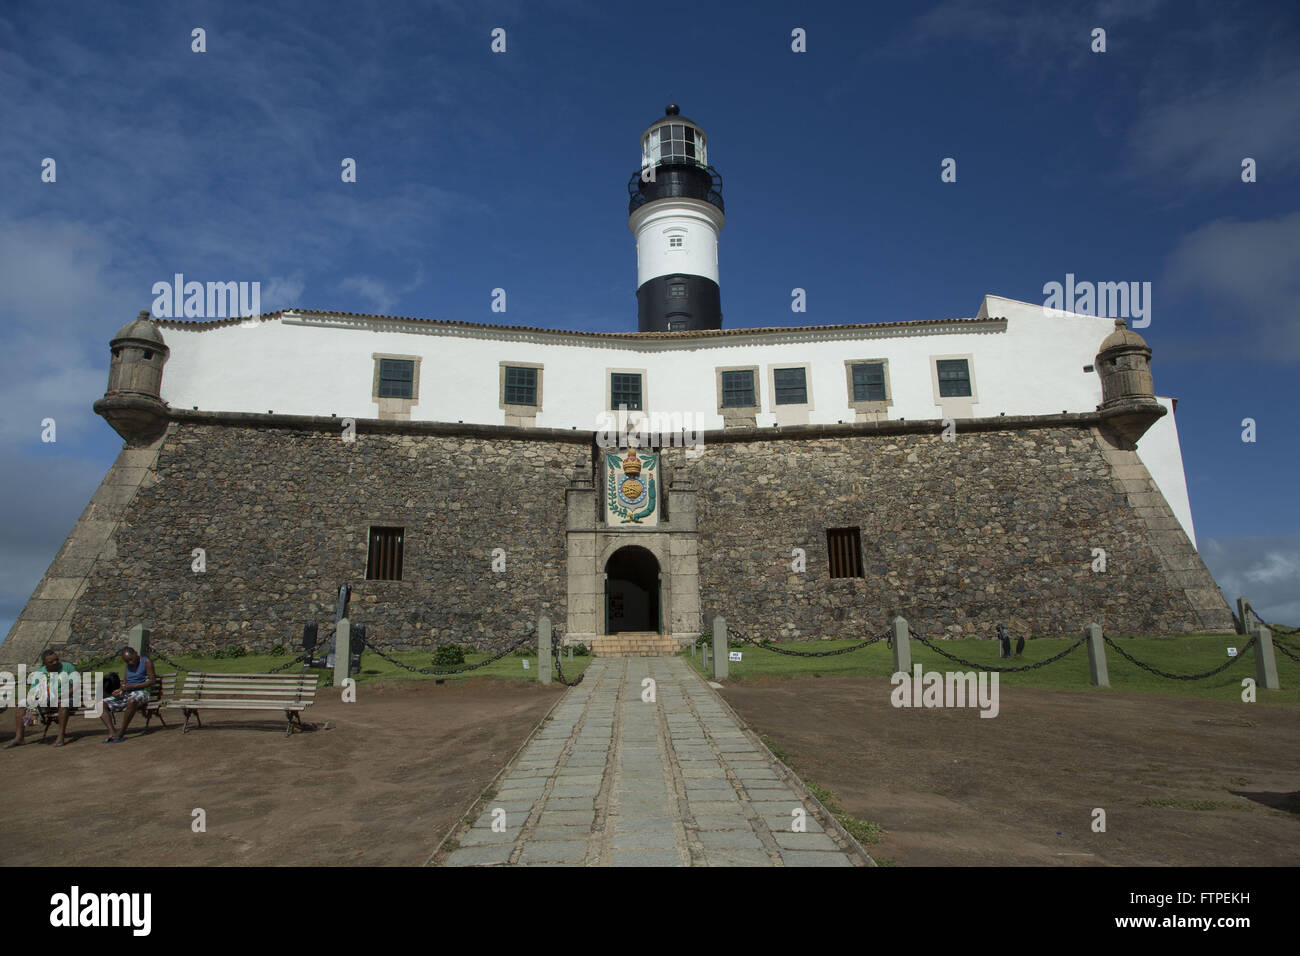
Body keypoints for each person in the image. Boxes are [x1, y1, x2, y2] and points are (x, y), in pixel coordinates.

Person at [6, 649, 78, 748]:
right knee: (22, 705)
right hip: (45, 699)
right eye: (51, 662)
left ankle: (60, 736)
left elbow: (76, 685)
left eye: (56, 659)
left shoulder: (67, 667)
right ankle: (19, 737)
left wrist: (65, 694)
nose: (55, 662)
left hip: (65, 696)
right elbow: (33, 690)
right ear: (45, 663)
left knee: (64, 703)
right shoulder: (39, 672)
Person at [101, 646, 156, 743]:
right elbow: (125, 683)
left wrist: (133, 686)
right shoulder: (128, 666)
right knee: (100, 704)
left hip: (142, 692)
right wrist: (120, 691)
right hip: (128, 692)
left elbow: (152, 681)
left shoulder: (146, 661)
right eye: (127, 661)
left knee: (132, 701)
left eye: (131, 659)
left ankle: (121, 732)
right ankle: (112, 732)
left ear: (136, 654)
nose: (130, 662)